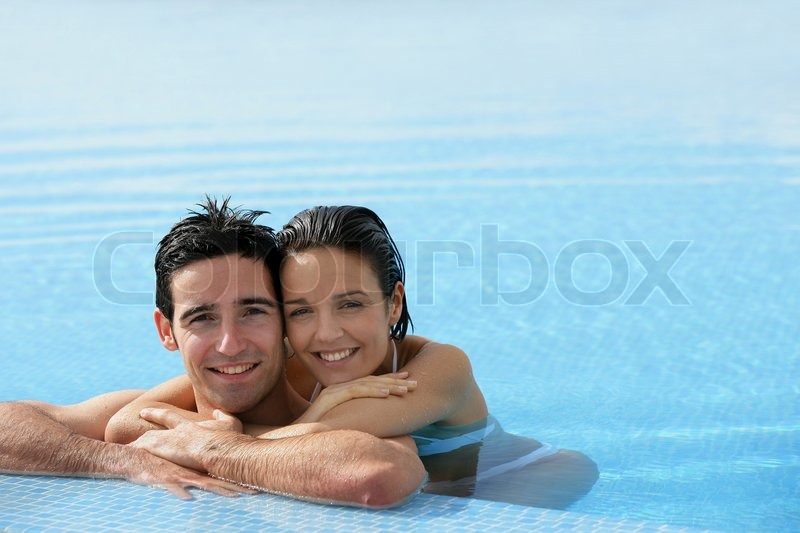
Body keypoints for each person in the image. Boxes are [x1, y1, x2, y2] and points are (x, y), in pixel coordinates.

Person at [115, 204, 598, 509]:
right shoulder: (290, 358)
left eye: (350, 304)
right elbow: (132, 422)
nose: (327, 334)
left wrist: (207, 444)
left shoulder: (439, 367)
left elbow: (331, 440)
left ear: (393, 303)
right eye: (302, 311)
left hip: (517, 478)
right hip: (427, 497)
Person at [0, 198, 426, 508]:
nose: (230, 344)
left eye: (253, 311)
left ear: (285, 323)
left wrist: (213, 449)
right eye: (202, 318)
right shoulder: (157, 419)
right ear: (167, 331)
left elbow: (381, 476)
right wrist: (119, 461)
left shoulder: (354, 407)